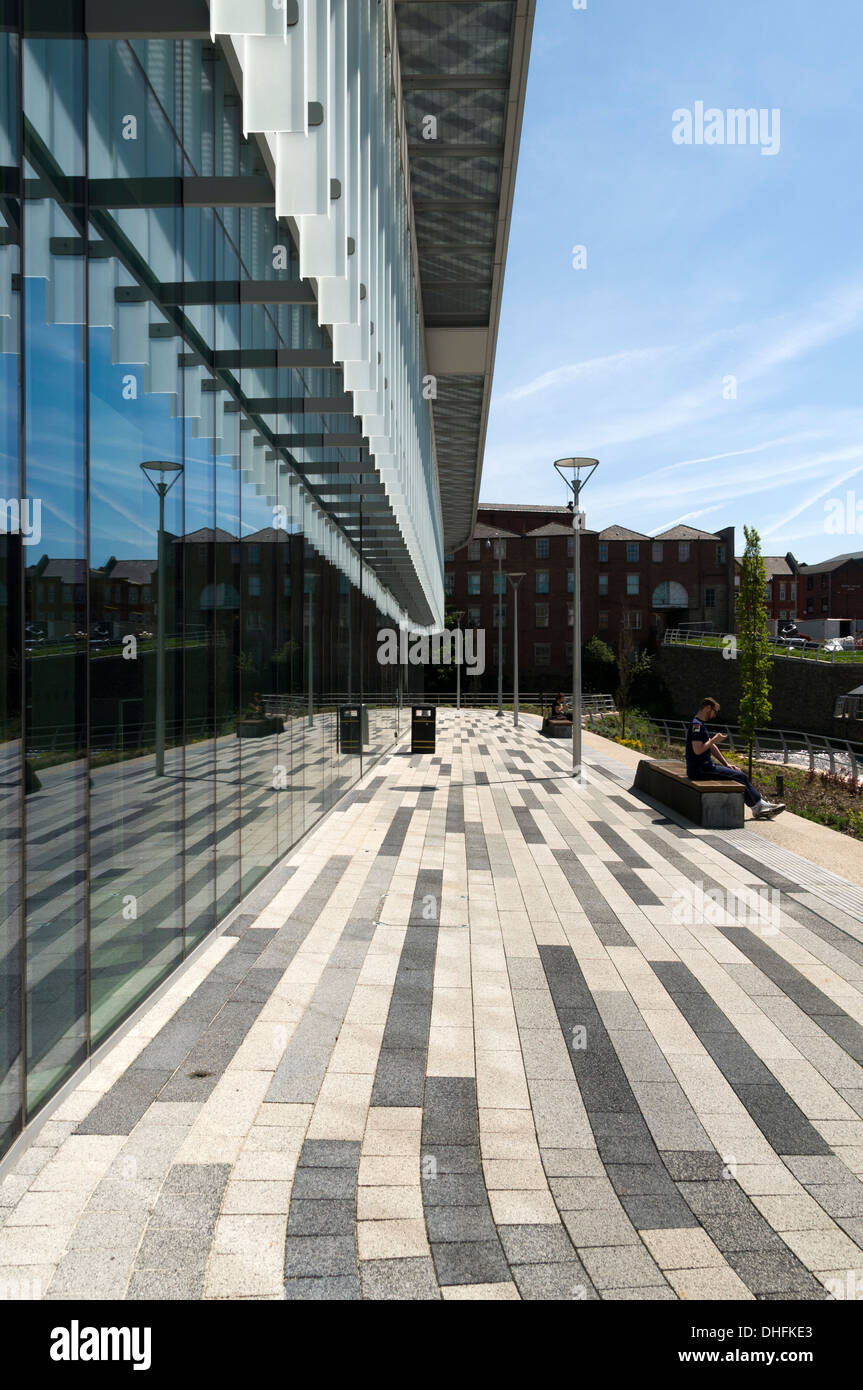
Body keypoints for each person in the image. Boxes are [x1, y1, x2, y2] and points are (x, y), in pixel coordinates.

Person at [685, 696, 785, 819]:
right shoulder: (697, 725)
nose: (715, 715)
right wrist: (714, 739)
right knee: (740, 776)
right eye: (714, 711)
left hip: (702, 768)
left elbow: (711, 746)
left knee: (736, 773)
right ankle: (757, 808)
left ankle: (760, 804)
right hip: (701, 770)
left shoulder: (698, 724)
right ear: (707, 708)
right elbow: (698, 749)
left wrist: (726, 763)